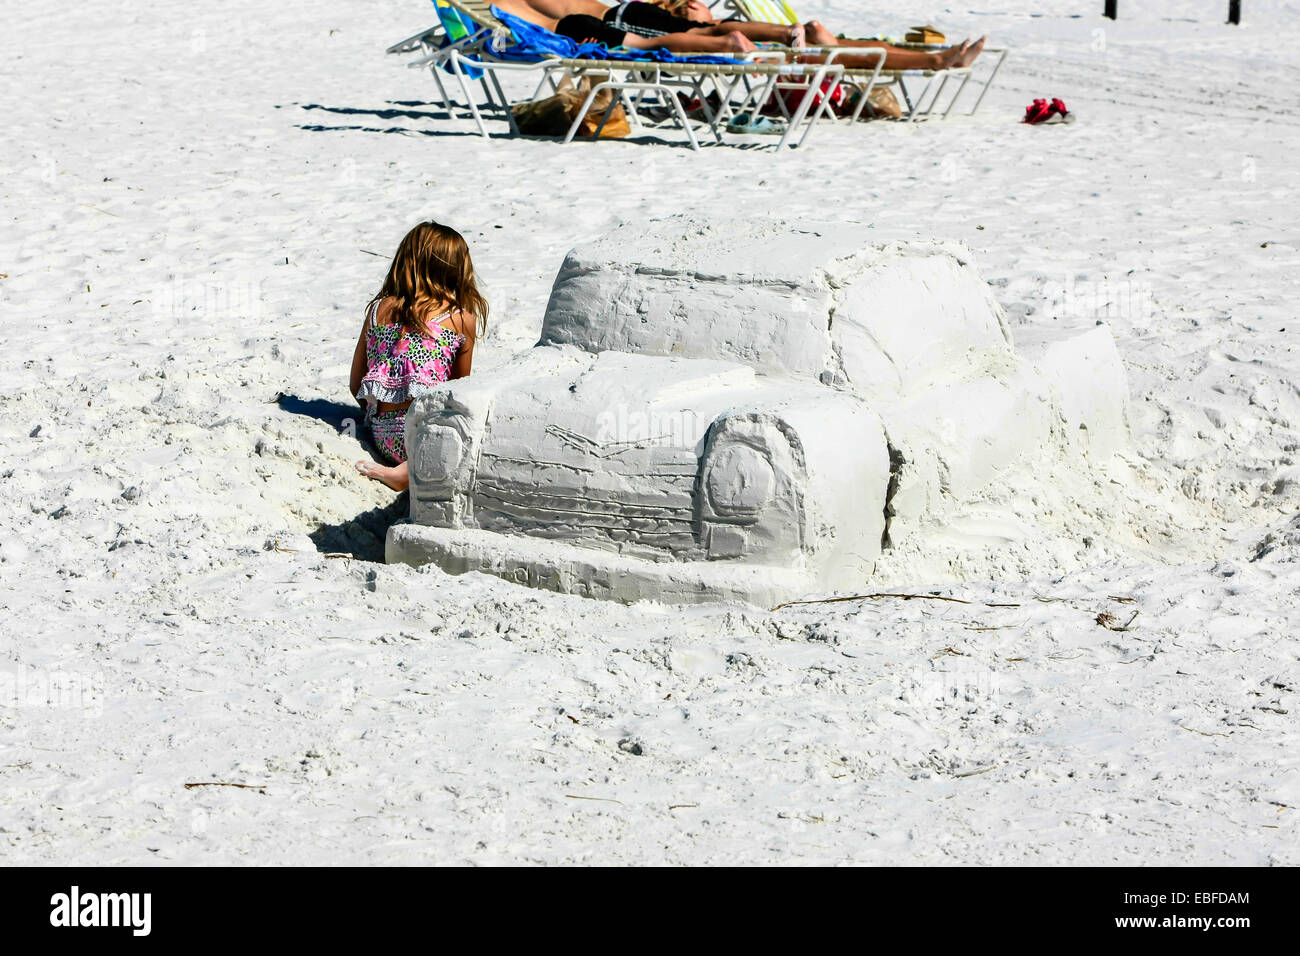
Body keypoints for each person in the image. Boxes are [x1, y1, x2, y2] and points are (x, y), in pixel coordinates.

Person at [350, 221, 485, 492]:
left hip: (383, 435)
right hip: (425, 433)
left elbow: (356, 384)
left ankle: (402, 467)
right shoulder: (460, 319)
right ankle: (409, 471)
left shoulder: (378, 310)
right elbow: (457, 390)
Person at [493, 0, 984, 70]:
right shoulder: (571, 20)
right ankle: (936, 60)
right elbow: (648, 46)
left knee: (712, 26)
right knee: (809, 56)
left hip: (661, 26)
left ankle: (939, 58)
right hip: (611, 30)